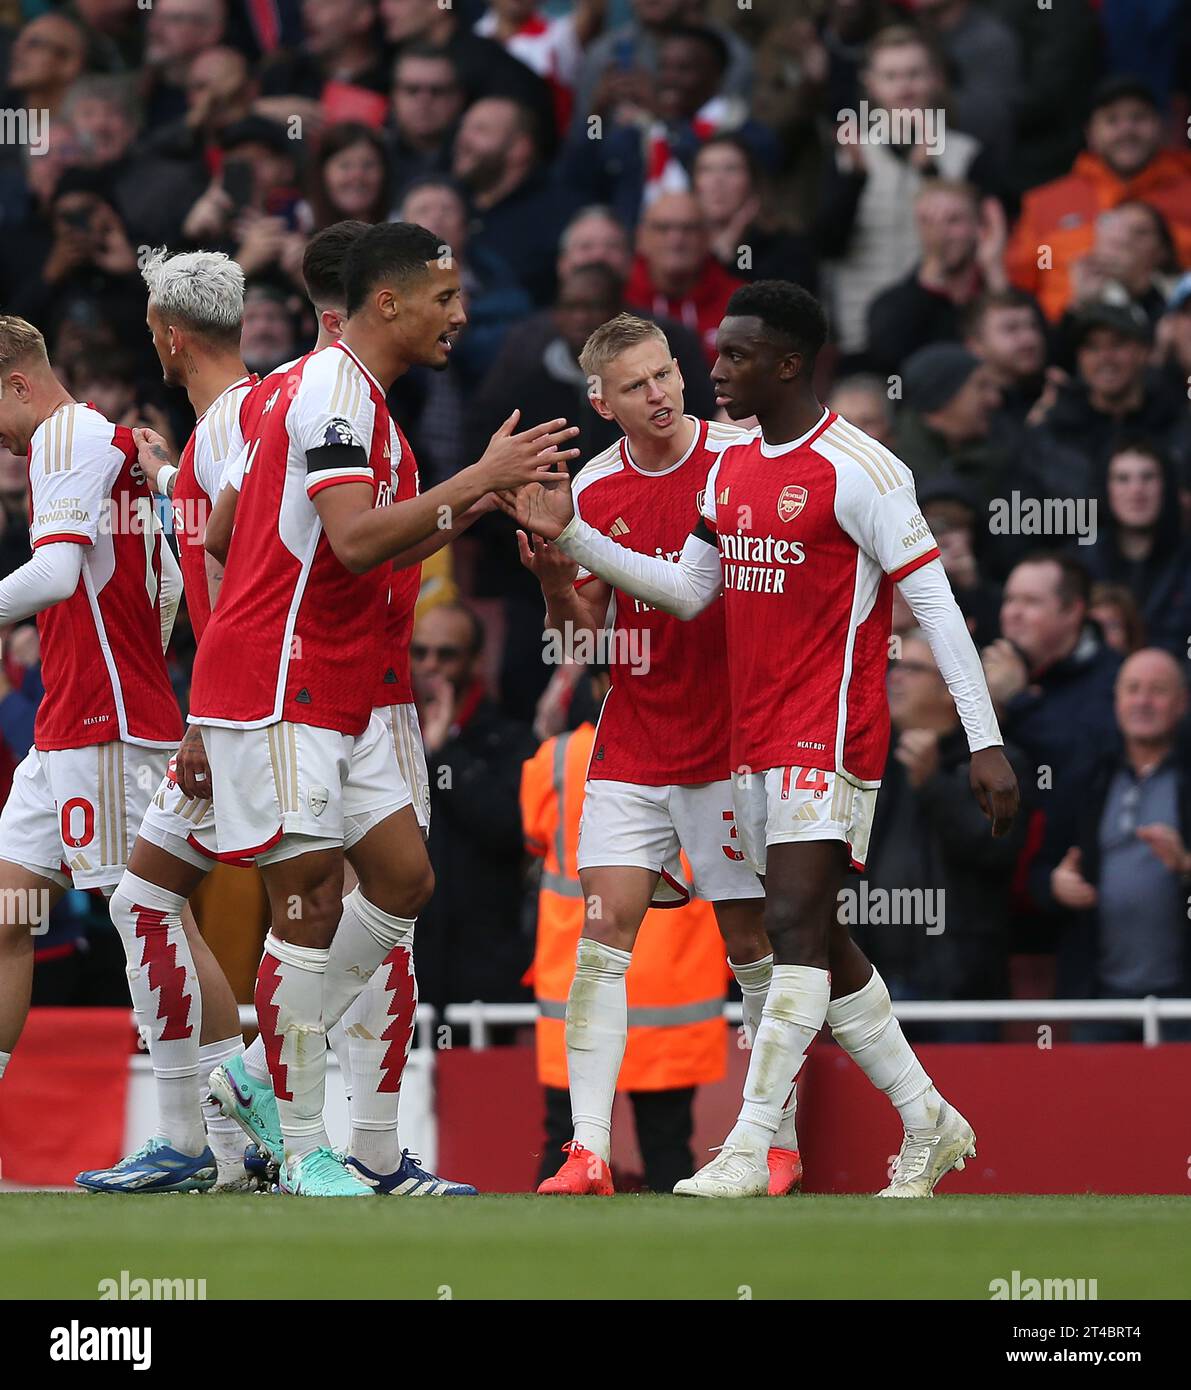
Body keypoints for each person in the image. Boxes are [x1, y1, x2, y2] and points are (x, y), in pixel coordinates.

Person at [505, 279, 1018, 1198]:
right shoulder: (733, 471)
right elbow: (689, 591)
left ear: (787, 363)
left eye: (726, 358)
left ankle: (750, 1144)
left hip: (826, 731)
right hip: (743, 737)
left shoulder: (861, 470)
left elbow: (935, 608)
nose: (705, 376)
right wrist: (572, 542)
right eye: (697, 361)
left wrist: (984, 739)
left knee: (780, 929)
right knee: (812, 932)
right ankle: (929, 1117)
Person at [183, 221, 580, 1196]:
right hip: (285, 681)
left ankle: (258, 1069)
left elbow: (255, 527)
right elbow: (355, 544)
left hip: (349, 683)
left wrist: (485, 502)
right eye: (446, 299)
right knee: (311, 902)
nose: (463, 314)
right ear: (390, 302)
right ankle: (313, 1142)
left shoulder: (362, 402)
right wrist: (477, 479)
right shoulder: (327, 391)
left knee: (402, 883)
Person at [515, 312, 800, 1197]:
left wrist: (570, 541)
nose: (662, 393)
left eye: (668, 373)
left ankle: (775, 1143)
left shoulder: (737, 459)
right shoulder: (593, 490)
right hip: (633, 740)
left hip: (731, 744)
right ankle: (588, 1151)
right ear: (601, 402)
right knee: (602, 934)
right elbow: (585, 645)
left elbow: (686, 596)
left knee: (749, 938)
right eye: (636, 385)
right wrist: (559, 582)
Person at [71, 248, 257, 1194]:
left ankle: (244, 1126)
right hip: (268, 706)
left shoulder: (230, 428)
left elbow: (235, 588)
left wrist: (203, 718)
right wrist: (172, 468)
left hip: (241, 715)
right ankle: (227, 1141)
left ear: (170, 336)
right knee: (340, 909)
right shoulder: (237, 425)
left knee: (153, 903)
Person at [0, 315, 183, 1092]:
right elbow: (168, 583)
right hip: (72, 719)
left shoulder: (65, 438)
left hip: (106, 724)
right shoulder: (105, 444)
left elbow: (55, 576)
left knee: (147, 921)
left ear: (16, 384)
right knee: (9, 916)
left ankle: (213, 1122)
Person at [522, 663, 738, 1196]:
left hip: (582, 986)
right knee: (669, 1146)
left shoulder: (558, 760)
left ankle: (545, 1268)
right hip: (675, 994)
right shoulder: (714, 754)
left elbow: (531, 834)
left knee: (564, 1143)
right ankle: (677, 1273)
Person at [861, 630, 1029, 1028]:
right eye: (896, 667)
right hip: (876, 983)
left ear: (952, 690)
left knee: (964, 1092)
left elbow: (994, 853)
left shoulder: (999, 765)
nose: (895, 678)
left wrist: (933, 785)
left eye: (914, 669)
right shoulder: (874, 762)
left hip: (960, 992)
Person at [1035, 648, 1191, 1039]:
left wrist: (1186, 865)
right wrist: (1056, 885)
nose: (1143, 701)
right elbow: (1036, 871)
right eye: (1133, 689)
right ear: (1117, 700)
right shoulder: (1085, 779)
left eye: (1157, 690)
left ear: (1182, 703)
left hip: (1182, 1002)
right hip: (1097, 998)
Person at [409, 602, 538, 1014]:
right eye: (420, 652)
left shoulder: (511, 740)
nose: (431, 665)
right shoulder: (384, 736)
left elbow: (508, 827)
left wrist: (442, 751)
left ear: (476, 661)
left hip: (486, 962)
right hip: (407, 958)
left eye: (447, 654)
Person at [1006, 76, 1191, 323]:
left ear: (1161, 127)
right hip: (1069, 341)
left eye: (1139, 118)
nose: (1127, 130)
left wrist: (1150, 269)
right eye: (1112, 120)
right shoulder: (1047, 204)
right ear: (1090, 133)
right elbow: (1027, 281)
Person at [865, 180, 1008, 377]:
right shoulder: (891, 305)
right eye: (927, 221)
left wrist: (994, 269)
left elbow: (1019, 350)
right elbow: (892, 365)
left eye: (953, 220)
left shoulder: (997, 288)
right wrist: (931, 281)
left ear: (979, 227)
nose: (939, 234)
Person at [1083, 442, 1191, 661]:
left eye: (1148, 477)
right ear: (1106, 488)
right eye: (1123, 478)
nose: (1136, 491)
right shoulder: (1081, 563)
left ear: (1166, 486)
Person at [625, 191, 745, 367]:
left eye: (688, 229)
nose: (676, 240)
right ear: (641, 238)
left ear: (707, 238)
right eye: (663, 228)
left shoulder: (741, 304)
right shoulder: (619, 301)